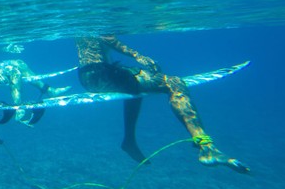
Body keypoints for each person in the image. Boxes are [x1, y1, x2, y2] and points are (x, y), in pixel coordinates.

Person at [75, 35, 249, 173]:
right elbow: (108, 39)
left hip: (90, 77)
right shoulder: (103, 12)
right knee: (173, 82)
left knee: (135, 88)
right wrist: (139, 56)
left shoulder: (83, 14)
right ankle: (206, 146)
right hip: (102, 76)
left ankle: (129, 140)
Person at [0, 45, 66, 126]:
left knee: (20, 63)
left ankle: (48, 90)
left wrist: (6, 49)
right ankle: (18, 107)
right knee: (14, 72)